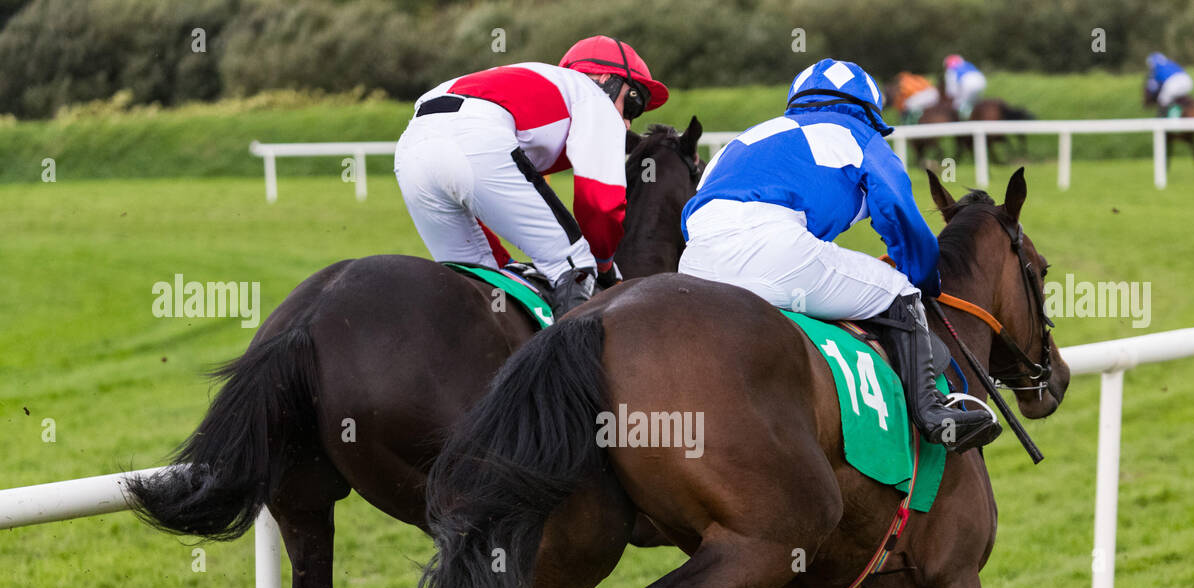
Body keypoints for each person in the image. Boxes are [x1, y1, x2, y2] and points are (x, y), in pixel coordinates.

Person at [678, 58, 1000, 454]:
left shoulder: (744, 139)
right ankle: (934, 416)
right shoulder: (861, 136)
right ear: (868, 110)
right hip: (776, 253)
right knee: (900, 291)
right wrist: (925, 278)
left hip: (693, 262)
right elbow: (900, 216)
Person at [394, 36, 668, 315]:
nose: (627, 123)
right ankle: (570, 358)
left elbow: (476, 190)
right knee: (575, 266)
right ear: (603, 78)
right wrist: (603, 264)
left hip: (410, 151)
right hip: (477, 138)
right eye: (633, 105)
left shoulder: (541, 86)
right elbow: (600, 202)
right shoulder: (593, 96)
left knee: (481, 279)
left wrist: (503, 262)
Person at [943, 54, 986, 120]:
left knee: (957, 104)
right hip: (982, 82)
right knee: (975, 103)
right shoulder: (968, 64)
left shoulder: (951, 70)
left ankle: (965, 120)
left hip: (968, 84)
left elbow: (951, 91)